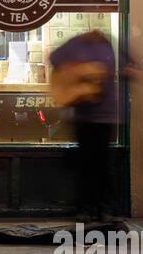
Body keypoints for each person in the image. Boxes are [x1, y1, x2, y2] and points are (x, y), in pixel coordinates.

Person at [48, 30, 127, 224]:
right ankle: (89, 208)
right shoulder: (78, 43)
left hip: (105, 116)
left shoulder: (112, 45)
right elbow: (54, 57)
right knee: (88, 164)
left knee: (101, 165)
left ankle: (104, 209)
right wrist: (73, 68)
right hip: (83, 115)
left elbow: (122, 67)